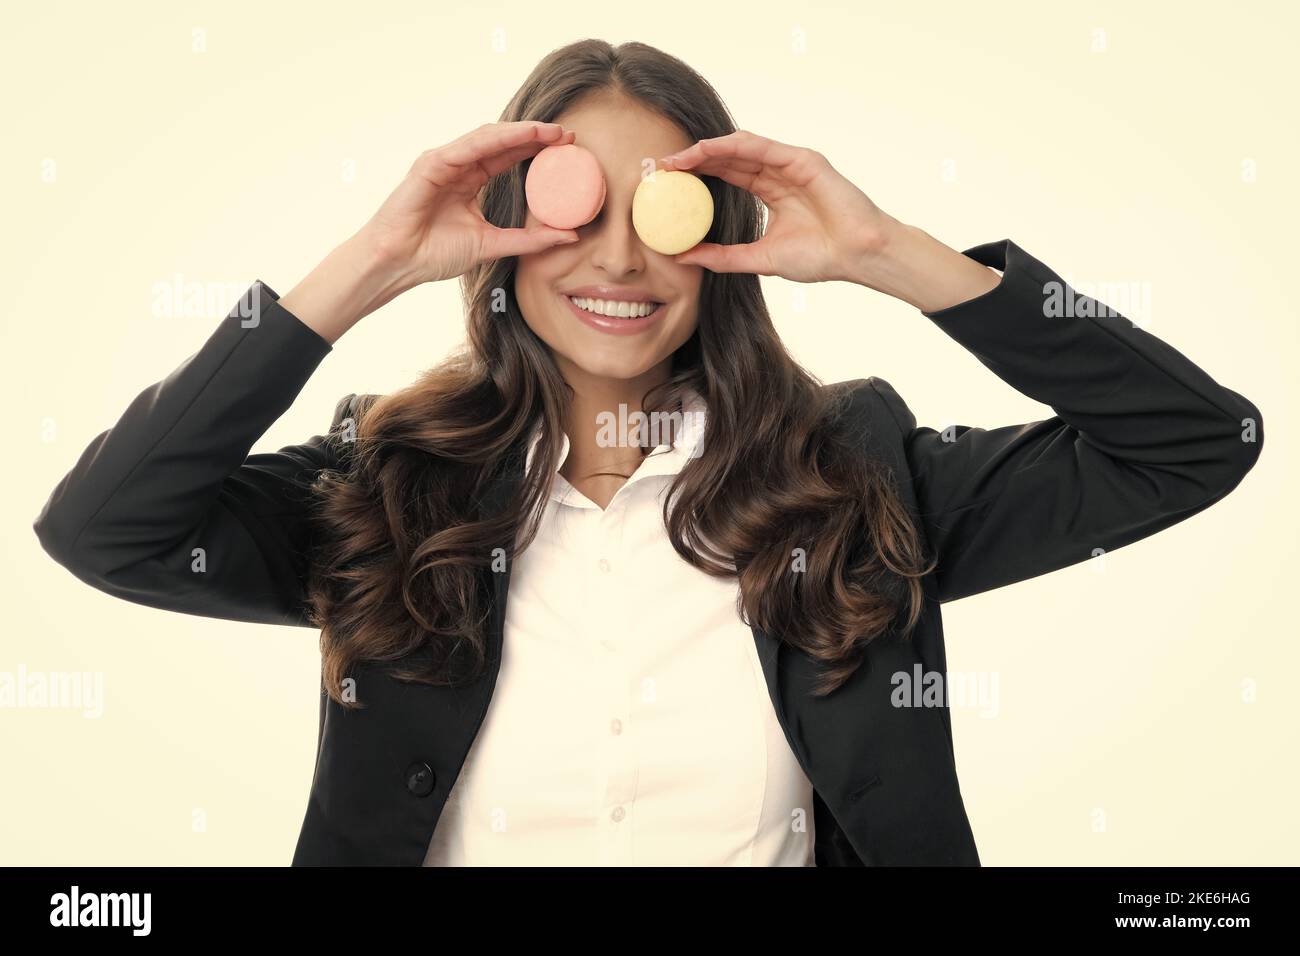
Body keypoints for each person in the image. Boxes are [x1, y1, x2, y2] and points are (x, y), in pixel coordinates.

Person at [32, 39, 1264, 866]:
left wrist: (893, 252)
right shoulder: (389, 487)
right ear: (509, 228)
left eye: (661, 211)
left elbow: (1195, 442)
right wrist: (369, 265)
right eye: (576, 204)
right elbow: (102, 527)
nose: (618, 259)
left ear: (720, 234)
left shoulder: (853, 480)